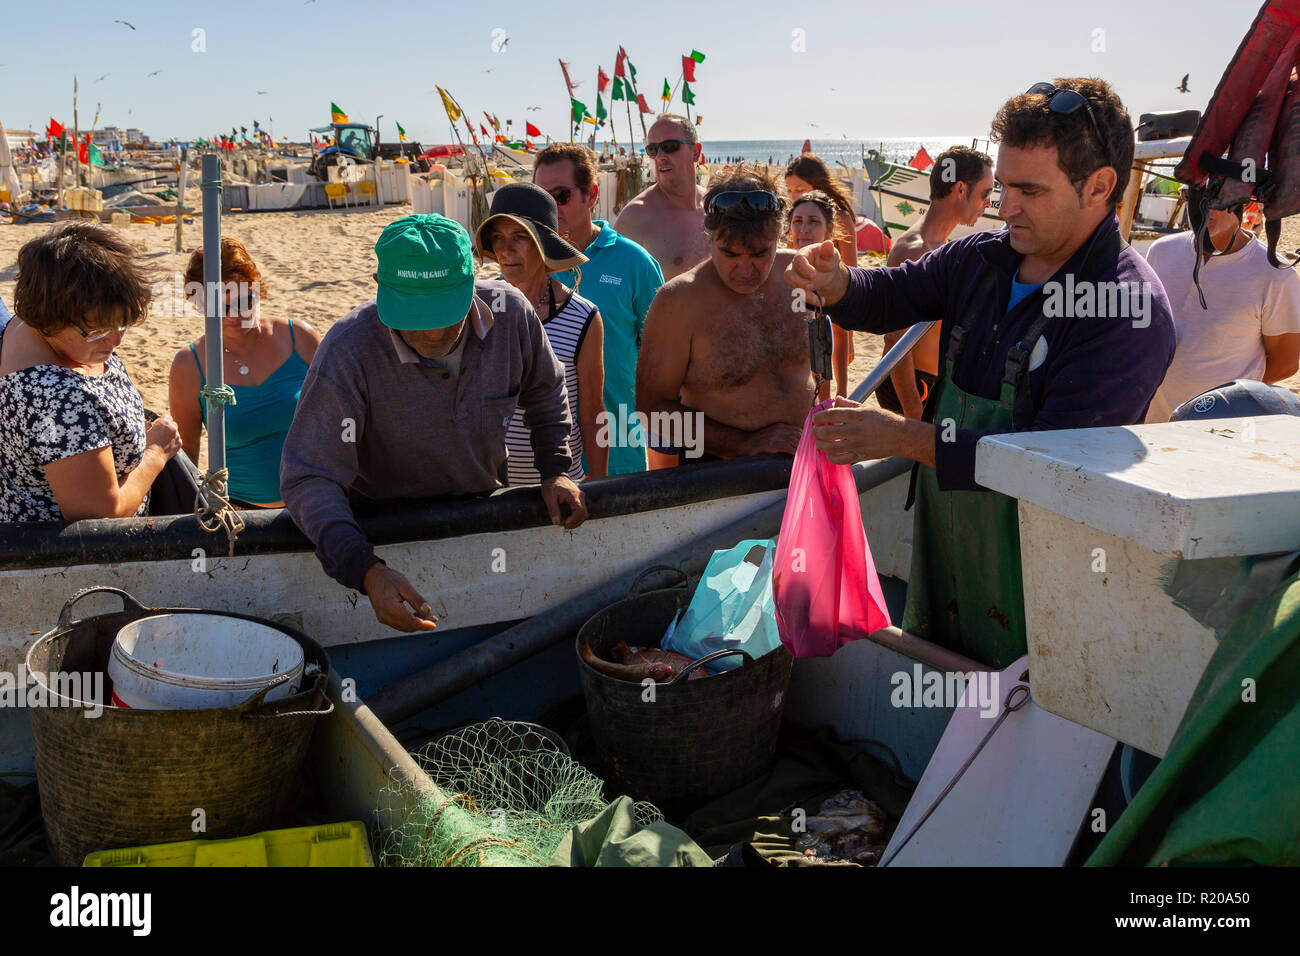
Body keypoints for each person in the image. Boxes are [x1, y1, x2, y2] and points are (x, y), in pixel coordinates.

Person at [785, 78, 1176, 668]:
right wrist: (836, 283)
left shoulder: (1127, 311)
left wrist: (900, 438)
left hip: (1045, 576)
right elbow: (891, 294)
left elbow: (1049, 464)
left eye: (1028, 191)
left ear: (1100, 187)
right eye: (1003, 185)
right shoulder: (981, 258)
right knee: (942, 694)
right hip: (951, 550)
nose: (1004, 206)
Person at [281, 214, 587, 633]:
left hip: (479, 522)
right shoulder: (348, 348)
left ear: (471, 285)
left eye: (447, 310)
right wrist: (364, 567)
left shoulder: (512, 314)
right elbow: (309, 475)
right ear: (383, 292)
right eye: (416, 315)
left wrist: (555, 470)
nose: (436, 331)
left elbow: (546, 389)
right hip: (380, 532)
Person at [0, 221, 182, 522]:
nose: (116, 339)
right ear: (49, 315)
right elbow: (102, 518)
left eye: (122, 323)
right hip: (79, 564)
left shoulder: (30, 328)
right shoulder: (56, 400)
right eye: (98, 330)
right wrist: (156, 453)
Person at [637, 164, 810, 461]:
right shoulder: (678, 303)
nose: (745, 270)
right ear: (709, 237)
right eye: (729, 254)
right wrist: (744, 443)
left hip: (802, 464)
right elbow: (651, 409)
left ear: (780, 237)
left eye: (760, 253)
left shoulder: (800, 274)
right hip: (721, 472)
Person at [533, 142, 665, 473]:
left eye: (560, 196)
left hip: (618, 447)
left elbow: (661, 360)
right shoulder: (525, 261)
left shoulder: (635, 263)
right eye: (540, 198)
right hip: (541, 454)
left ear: (591, 195)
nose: (550, 208)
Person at [168, 238, 320, 507]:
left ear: (258, 291)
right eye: (219, 307)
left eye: (243, 300)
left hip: (319, 503)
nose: (233, 314)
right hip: (241, 515)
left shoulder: (300, 338)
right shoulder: (189, 365)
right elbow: (188, 455)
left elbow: (342, 415)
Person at [475, 182, 607, 482]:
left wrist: (600, 488)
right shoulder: (477, 309)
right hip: (488, 491)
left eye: (519, 237)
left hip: (562, 485)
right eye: (497, 238)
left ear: (544, 243)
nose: (505, 250)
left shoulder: (583, 317)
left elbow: (592, 414)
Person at [1143, 201, 1300, 422]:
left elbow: (1285, 364)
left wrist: (1220, 398)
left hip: (1214, 430)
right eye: (1195, 194)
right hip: (1145, 419)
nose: (1204, 207)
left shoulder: (1275, 274)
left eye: (1218, 198)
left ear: (1245, 203)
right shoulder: (1162, 250)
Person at [877, 146, 995, 419]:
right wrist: (912, 409)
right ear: (961, 190)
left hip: (930, 381)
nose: (988, 203)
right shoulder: (916, 251)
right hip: (912, 385)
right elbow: (895, 339)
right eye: (985, 193)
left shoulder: (940, 246)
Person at [785, 155, 859, 397]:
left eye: (800, 189)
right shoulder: (797, 217)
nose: (794, 196)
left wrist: (850, 335)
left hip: (833, 290)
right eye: (790, 190)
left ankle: (837, 398)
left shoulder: (839, 218)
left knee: (832, 336)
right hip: (803, 295)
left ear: (817, 185)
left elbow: (852, 272)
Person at [614, 114, 710, 281]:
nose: (659, 157)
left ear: (695, 152)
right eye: (652, 149)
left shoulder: (714, 206)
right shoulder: (636, 217)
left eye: (670, 146)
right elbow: (615, 291)